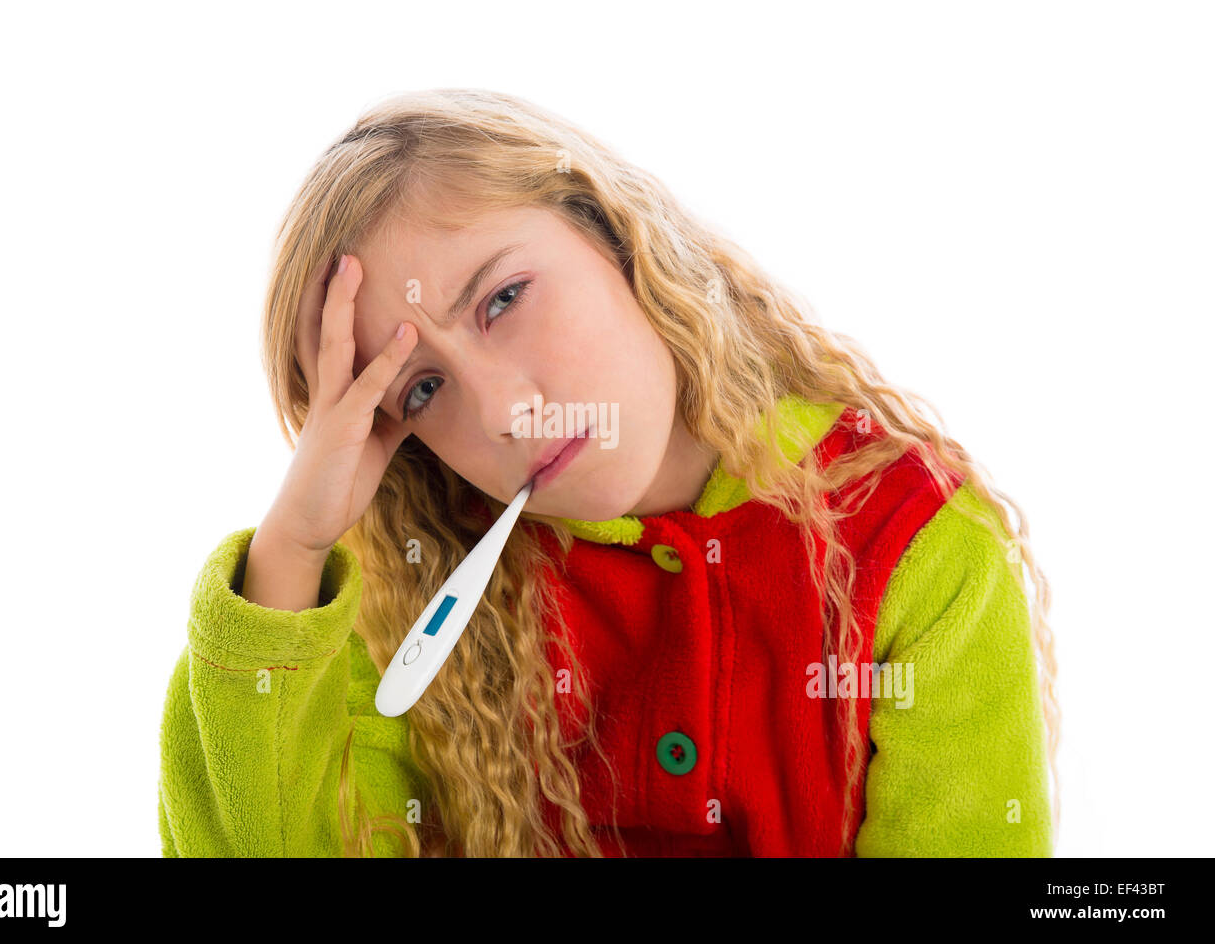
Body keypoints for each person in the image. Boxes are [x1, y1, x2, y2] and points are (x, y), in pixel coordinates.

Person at [157, 88, 1059, 857]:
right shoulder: (411, 616)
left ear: (613, 233)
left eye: (503, 299)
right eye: (423, 390)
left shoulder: (918, 547)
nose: (506, 413)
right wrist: (293, 547)